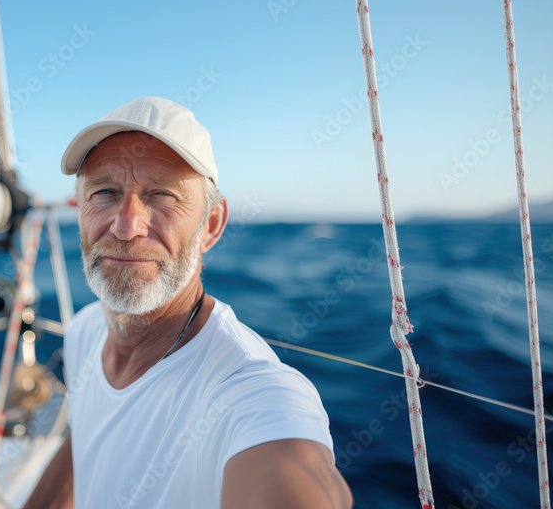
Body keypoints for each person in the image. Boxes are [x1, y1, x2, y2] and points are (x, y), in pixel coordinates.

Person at [23, 97, 351, 508]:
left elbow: (287, 467)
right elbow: (87, 443)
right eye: (104, 192)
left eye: (161, 195)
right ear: (80, 211)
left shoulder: (248, 391)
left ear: (210, 225)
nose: (126, 226)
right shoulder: (85, 331)